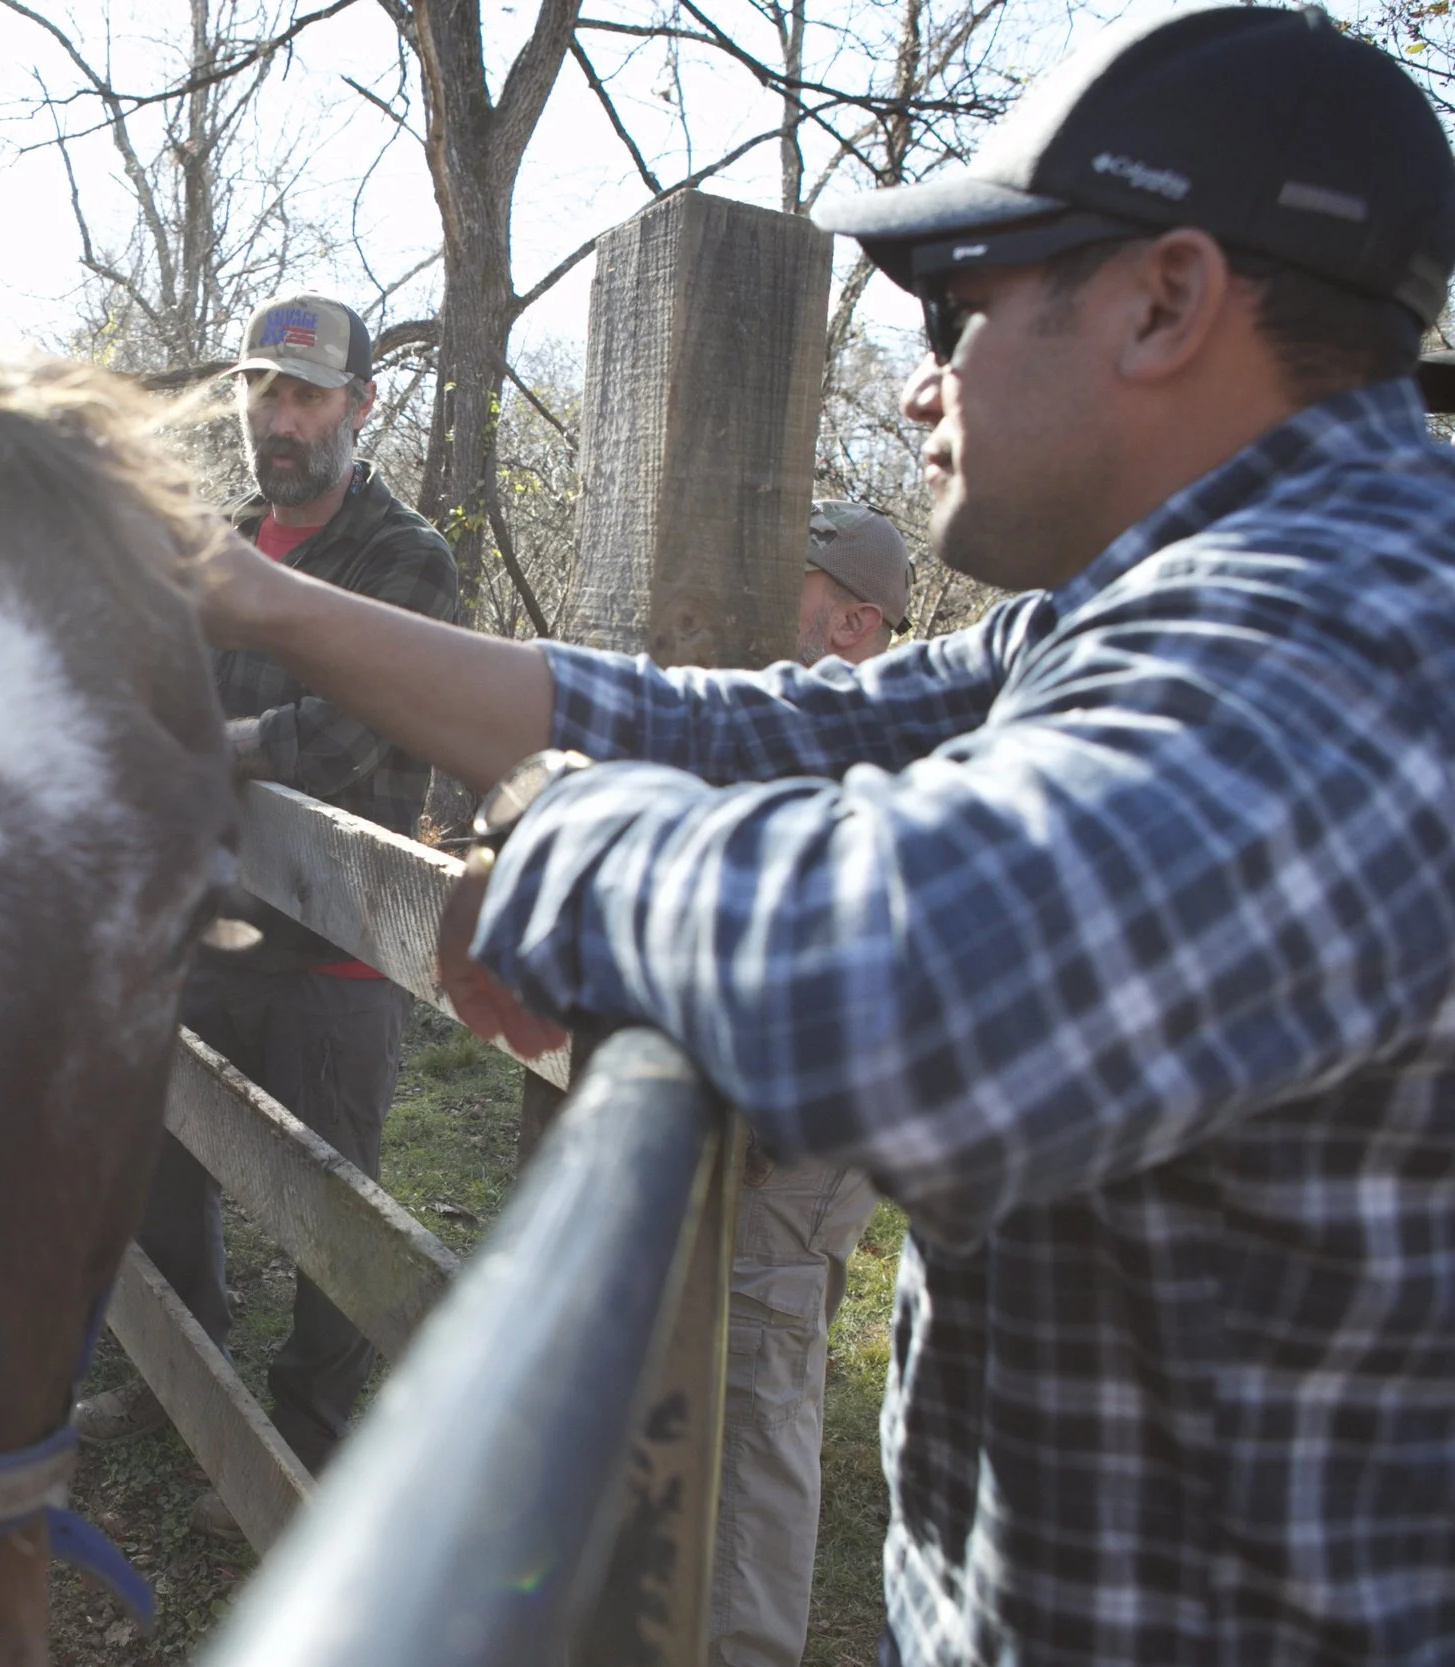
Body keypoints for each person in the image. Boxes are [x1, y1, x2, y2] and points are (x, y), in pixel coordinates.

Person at [187, 9, 1455, 1661]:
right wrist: (272, 607)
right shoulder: (1134, 615)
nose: (927, 378)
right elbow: (744, 725)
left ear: (1167, 300)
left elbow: (895, 980)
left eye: (965, 298)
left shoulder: (1363, 638)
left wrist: (571, 849)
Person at [73, 294, 459, 1538]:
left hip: (337, 947)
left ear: (359, 404)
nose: (277, 420)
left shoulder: (404, 559)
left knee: (331, 1207)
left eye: (304, 395)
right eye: (261, 392)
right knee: (166, 1155)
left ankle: (304, 1436)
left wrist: (214, 742)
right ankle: (186, 1377)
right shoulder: (223, 542)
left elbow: (366, 734)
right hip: (200, 919)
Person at [710, 502, 905, 1667]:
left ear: (852, 620)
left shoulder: (882, 743)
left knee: (761, 1393)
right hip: (775, 1118)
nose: (771, 608)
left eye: (797, 586)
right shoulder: (815, 725)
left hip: (802, 1134)